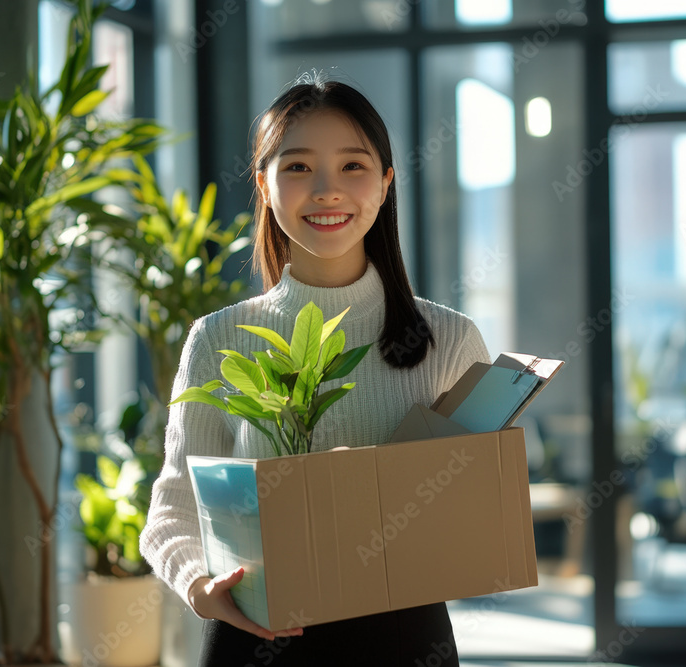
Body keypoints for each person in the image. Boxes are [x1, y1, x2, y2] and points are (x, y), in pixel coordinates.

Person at [139, 75, 491, 666]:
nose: (327, 191)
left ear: (385, 184)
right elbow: (172, 510)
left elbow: (479, 512)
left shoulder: (449, 340)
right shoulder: (220, 340)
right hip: (257, 634)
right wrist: (202, 586)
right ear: (264, 186)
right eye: (298, 167)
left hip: (402, 640)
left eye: (352, 166)